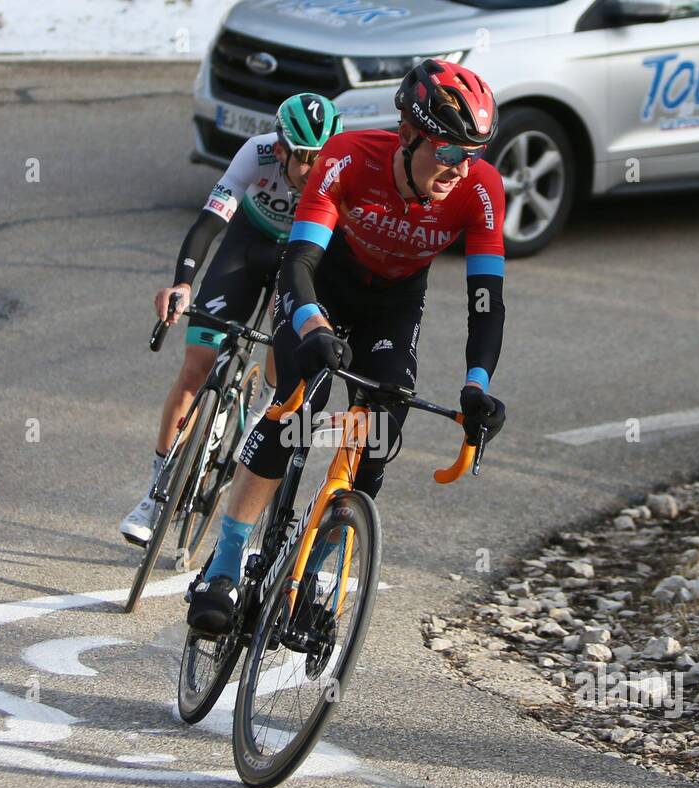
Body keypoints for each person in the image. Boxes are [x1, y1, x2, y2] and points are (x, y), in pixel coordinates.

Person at [187, 59, 509, 631]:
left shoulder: (480, 188)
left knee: (383, 427)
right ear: (408, 135)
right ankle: (227, 564)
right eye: (449, 151)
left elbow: (485, 299)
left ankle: (322, 569)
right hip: (321, 287)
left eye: (474, 153)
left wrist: (477, 387)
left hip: (393, 304)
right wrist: (313, 326)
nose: (461, 168)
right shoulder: (347, 157)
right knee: (294, 413)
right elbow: (300, 260)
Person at [120, 93, 343, 545]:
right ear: (280, 150)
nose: (315, 169)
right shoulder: (256, 153)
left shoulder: (339, 170)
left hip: (299, 257)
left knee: (285, 359)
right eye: (305, 159)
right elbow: (208, 222)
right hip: (248, 243)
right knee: (196, 366)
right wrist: (183, 283)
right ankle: (155, 493)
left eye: (323, 157)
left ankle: (259, 407)